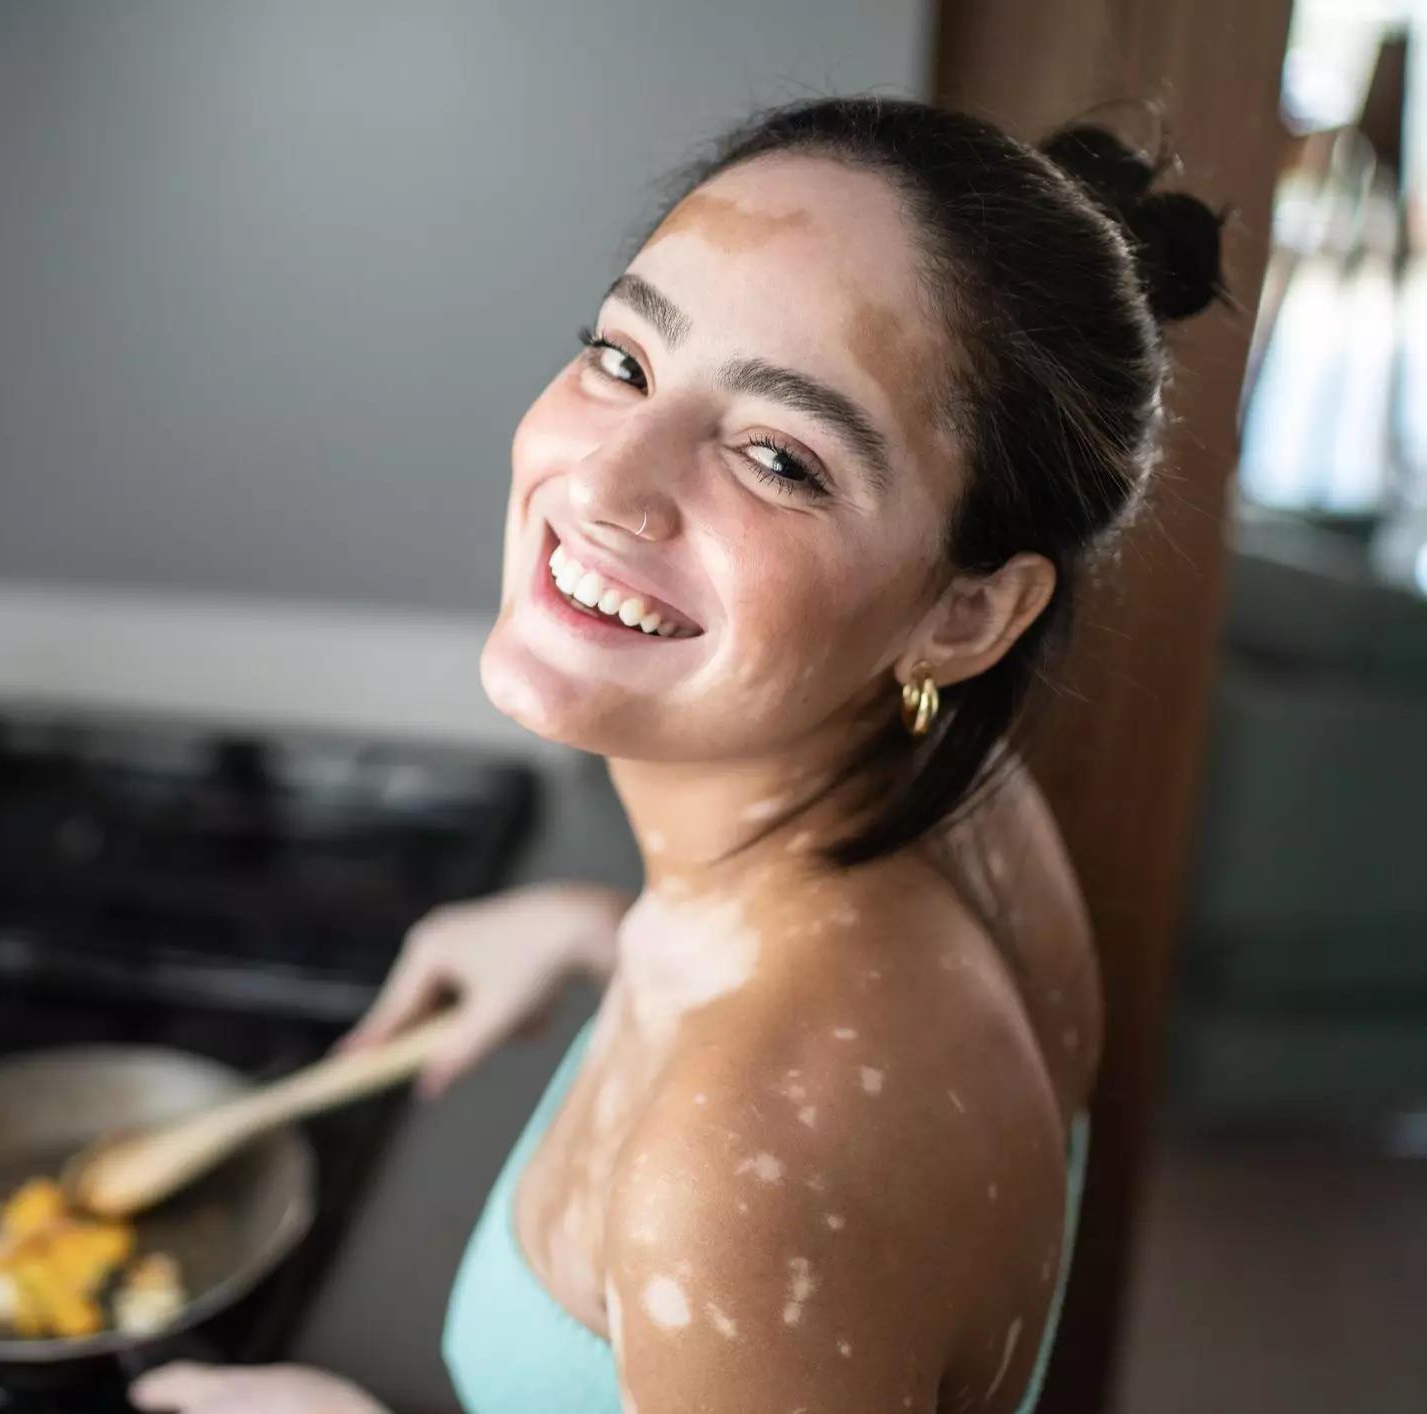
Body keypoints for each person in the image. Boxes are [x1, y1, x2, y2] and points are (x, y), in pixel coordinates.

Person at [129, 95, 1223, 1414]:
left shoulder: (746, 1176)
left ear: (968, 612)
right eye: (625, 358)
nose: (603, 482)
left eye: (778, 456)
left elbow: (803, 1140)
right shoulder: (970, 809)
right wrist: (616, 929)